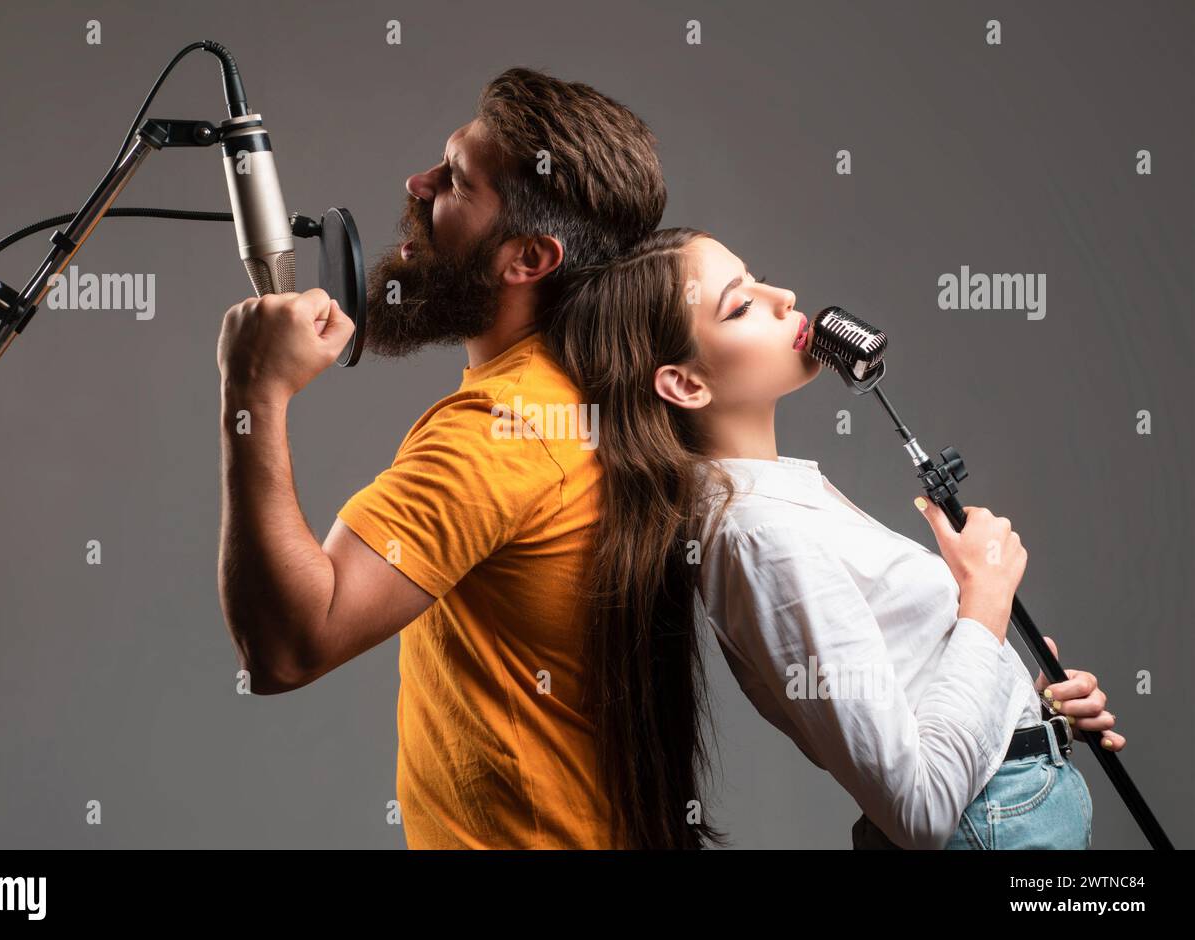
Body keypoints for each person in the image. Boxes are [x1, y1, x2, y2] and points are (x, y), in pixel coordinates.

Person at [215, 70, 726, 848]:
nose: (415, 185)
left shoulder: (500, 429)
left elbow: (286, 649)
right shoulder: (587, 397)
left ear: (526, 259)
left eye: (454, 180)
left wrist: (254, 391)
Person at [544, 227, 1123, 849]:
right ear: (686, 384)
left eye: (758, 276)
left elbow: (912, 695)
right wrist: (985, 601)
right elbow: (919, 810)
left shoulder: (779, 501)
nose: (784, 296)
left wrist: (1028, 710)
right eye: (740, 305)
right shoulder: (760, 538)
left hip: (1013, 810)